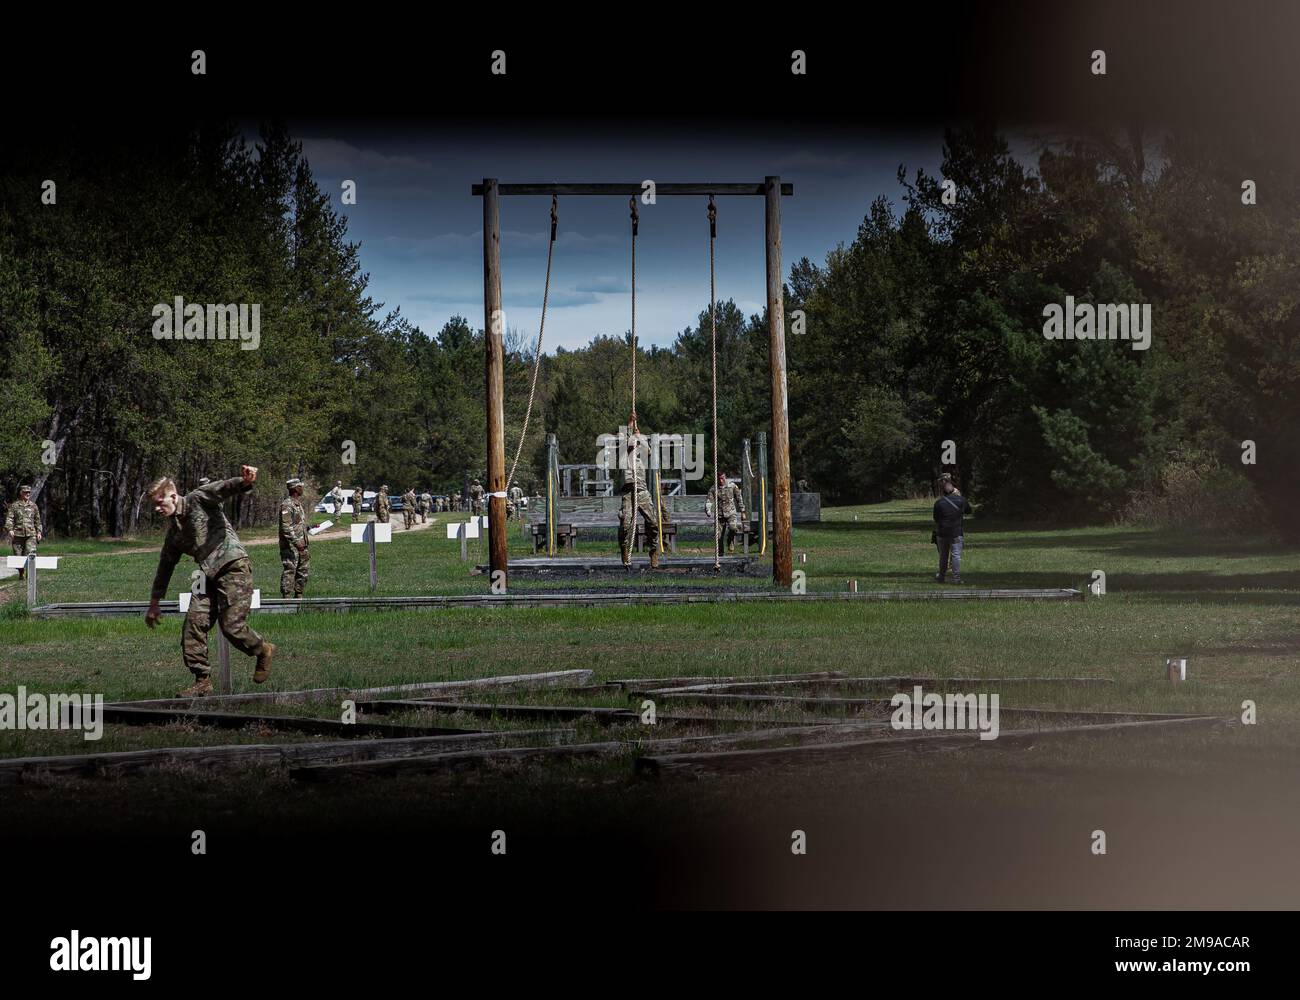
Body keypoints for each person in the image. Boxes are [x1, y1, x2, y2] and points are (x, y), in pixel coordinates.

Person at [143, 467, 275, 698]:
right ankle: (202, 682)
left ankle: (262, 649)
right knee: (193, 624)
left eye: (159, 502)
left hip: (233, 566)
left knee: (232, 627)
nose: (157, 508)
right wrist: (154, 603)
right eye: (154, 504)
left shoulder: (198, 499)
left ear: (173, 496)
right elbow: (165, 566)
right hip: (206, 574)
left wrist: (244, 481)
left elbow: (223, 488)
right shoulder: (174, 532)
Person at [618, 416, 661, 568]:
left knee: (653, 523)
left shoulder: (642, 452)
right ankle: (625, 549)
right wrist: (630, 422)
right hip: (628, 492)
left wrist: (639, 437)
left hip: (641, 491)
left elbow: (649, 450)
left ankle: (654, 551)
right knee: (625, 524)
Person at [933, 473, 973, 584]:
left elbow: (936, 519)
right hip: (956, 532)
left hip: (942, 532)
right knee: (956, 556)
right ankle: (956, 579)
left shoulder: (938, 503)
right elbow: (969, 511)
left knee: (943, 557)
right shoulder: (961, 500)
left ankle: (941, 577)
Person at [279, 478, 310, 598]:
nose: (302, 488)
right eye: (300, 486)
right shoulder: (287, 505)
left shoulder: (298, 504)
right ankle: (286, 600)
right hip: (291, 546)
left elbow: (297, 524)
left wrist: (308, 528)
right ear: (295, 489)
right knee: (290, 570)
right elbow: (286, 527)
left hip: (302, 545)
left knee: (302, 572)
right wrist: (296, 542)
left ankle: (299, 598)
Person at [4, 484, 43, 580]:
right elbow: (9, 519)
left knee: (31, 553)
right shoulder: (15, 506)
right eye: (26, 492)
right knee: (18, 557)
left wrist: (39, 532)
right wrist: (10, 530)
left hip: (31, 534)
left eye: (29, 492)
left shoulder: (33, 506)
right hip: (17, 535)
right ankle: (21, 573)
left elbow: (38, 520)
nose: (28, 494)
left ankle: (30, 576)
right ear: (21, 493)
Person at [707, 472, 747, 553]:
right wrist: (708, 510)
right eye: (719, 479)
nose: (721, 480)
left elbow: (739, 498)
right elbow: (709, 500)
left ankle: (730, 540)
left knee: (733, 528)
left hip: (731, 513)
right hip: (720, 514)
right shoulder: (714, 488)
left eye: (723, 478)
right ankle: (720, 553)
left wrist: (743, 511)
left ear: (725, 477)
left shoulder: (732, 486)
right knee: (718, 536)